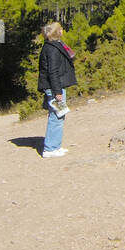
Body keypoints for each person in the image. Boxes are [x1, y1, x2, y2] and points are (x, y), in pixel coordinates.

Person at [37, 21, 78, 158]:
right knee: (56, 117)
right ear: (56, 32)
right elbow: (52, 72)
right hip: (55, 87)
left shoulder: (52, 46)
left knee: (59, 116)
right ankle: (50, 149)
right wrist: (57, 92)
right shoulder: (53, 49)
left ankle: (55, 146)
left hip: (56, 86)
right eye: (60, 29)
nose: (62, 30)